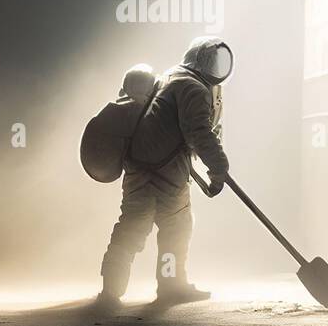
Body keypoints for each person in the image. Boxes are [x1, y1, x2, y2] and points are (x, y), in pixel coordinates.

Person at [96, 36, 233, 309]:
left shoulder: (172, 77)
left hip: (138, 167)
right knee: (176, 228)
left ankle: (110, 290)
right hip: (167, 174)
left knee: (132, 228)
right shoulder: (192, 87)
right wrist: (219, 169)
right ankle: (171, 286)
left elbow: (195, 133)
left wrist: (215, 167)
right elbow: (199, 133)